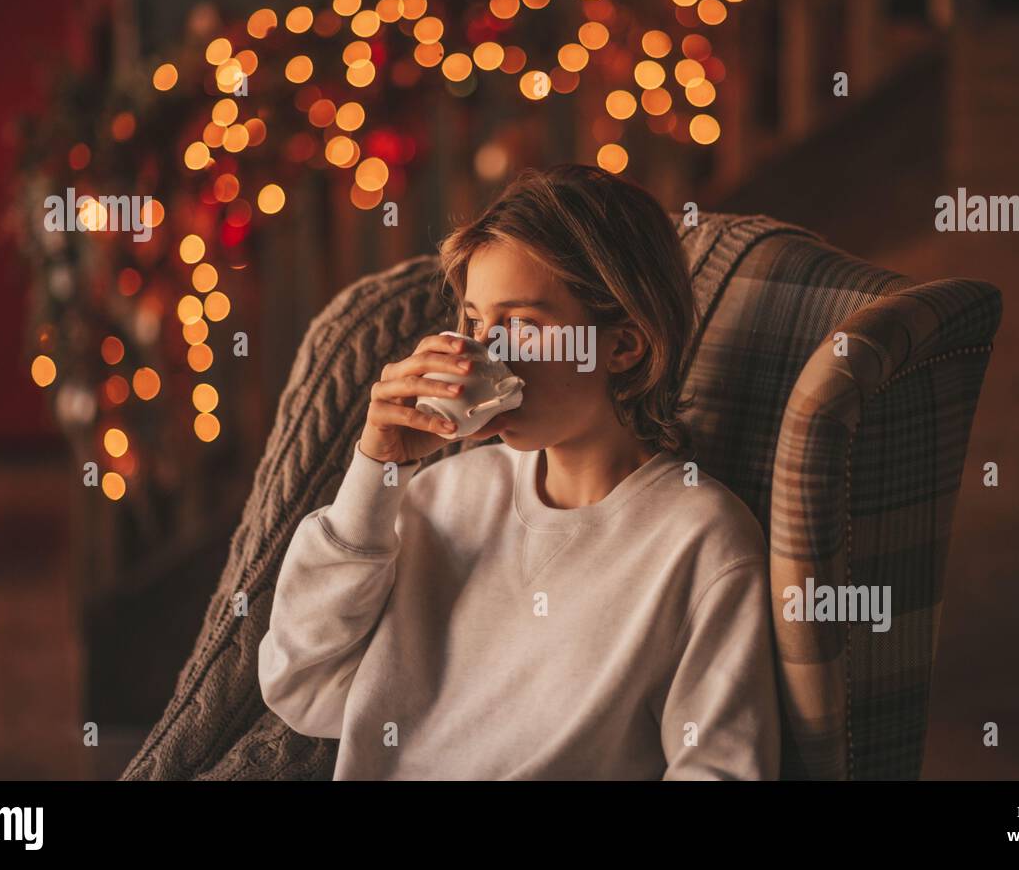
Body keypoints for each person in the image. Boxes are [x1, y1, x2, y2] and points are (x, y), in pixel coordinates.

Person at [257, 163, 781, 779]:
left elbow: (720, 766)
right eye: (476, 322)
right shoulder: (441, 496)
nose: (485, 353)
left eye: (524, 326)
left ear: (623, 344)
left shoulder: (701, 540)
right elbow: (303, 687)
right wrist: (376, 474)